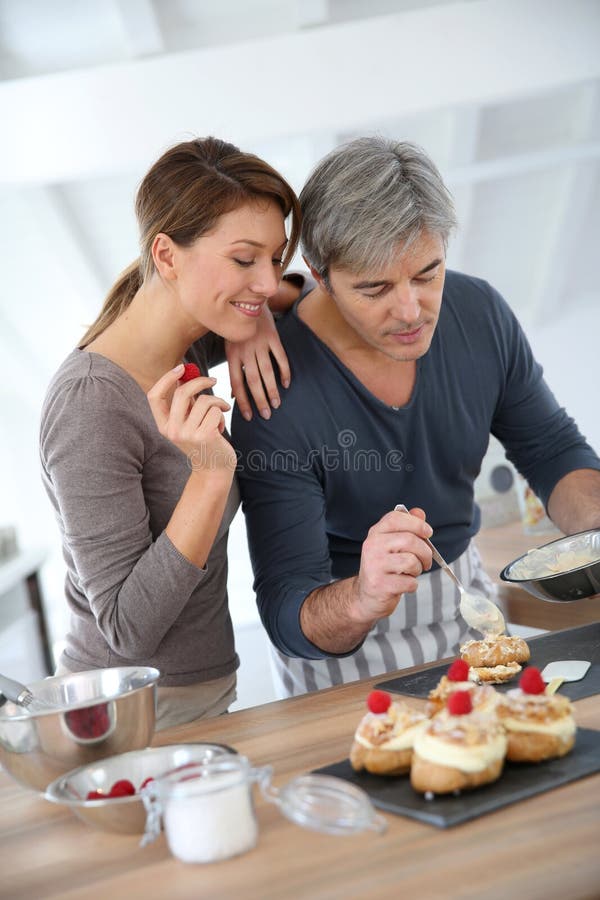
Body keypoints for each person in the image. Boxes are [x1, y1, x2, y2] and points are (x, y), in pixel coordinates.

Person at [231, 136, 600, 698]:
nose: (410, 311)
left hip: (466, 605)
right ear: (319, 273)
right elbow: (287, 608)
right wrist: (363, 595)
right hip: (342, 646)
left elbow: (551, 449)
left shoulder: (481, 315)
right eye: (374, 288)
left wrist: (595, 528)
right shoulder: (274, 392)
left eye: (427, 274)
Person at [40, 137, 301, 728]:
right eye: (244, 259)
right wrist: (210, 477)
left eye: (275, 258)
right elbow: (127, 629)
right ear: (166, 255)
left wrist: (252, 322)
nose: (265, 280)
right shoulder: (90, 404)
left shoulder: (194, 337)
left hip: (200, 697)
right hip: (126, 716)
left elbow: (294, 296)